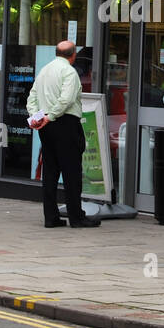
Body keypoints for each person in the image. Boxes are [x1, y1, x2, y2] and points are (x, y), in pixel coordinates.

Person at [27, 40, 99, 228]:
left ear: (56, 52)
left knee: (50, 171)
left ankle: (51, 217)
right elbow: (66, 99)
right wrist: (51, 116)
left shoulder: (44, 70)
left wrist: (36, 117)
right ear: (73, 55)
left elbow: (32, 97)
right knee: (72, 172)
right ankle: (76, 217)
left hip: (46, 126)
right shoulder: (69, 72)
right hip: (65, 123)